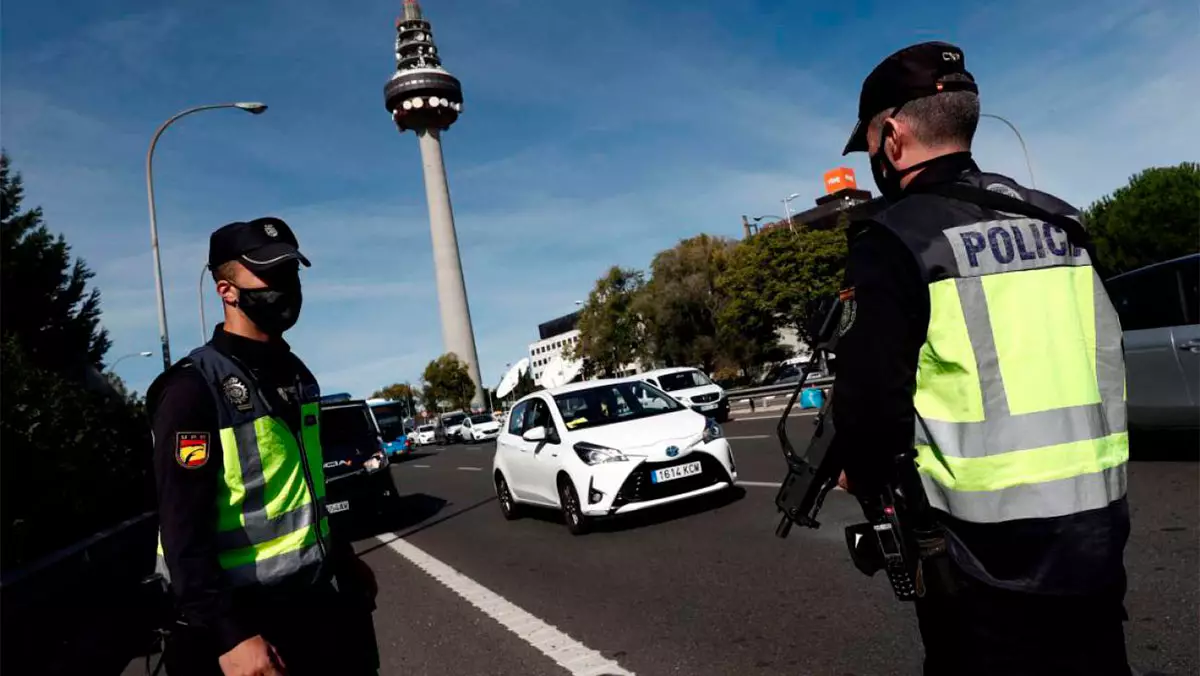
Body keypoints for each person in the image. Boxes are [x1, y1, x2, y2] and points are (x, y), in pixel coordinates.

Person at [832, 42, 1130, 675]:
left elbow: (871, 405)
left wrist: (858, 473)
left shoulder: (895, 238)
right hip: (1097, 529)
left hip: (982, 552)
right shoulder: (1061, 222)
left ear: (891, 138)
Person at [148, 217, 380, 676]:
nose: (285, 286)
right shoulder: (192, 390)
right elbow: (181, 531)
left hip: (314, 604)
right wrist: (229, 634)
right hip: (243, 625)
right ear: (226, 290)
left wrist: (343, 558)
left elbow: (303, 492)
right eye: (268, 274)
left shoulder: (297, 375)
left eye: (291, 272)